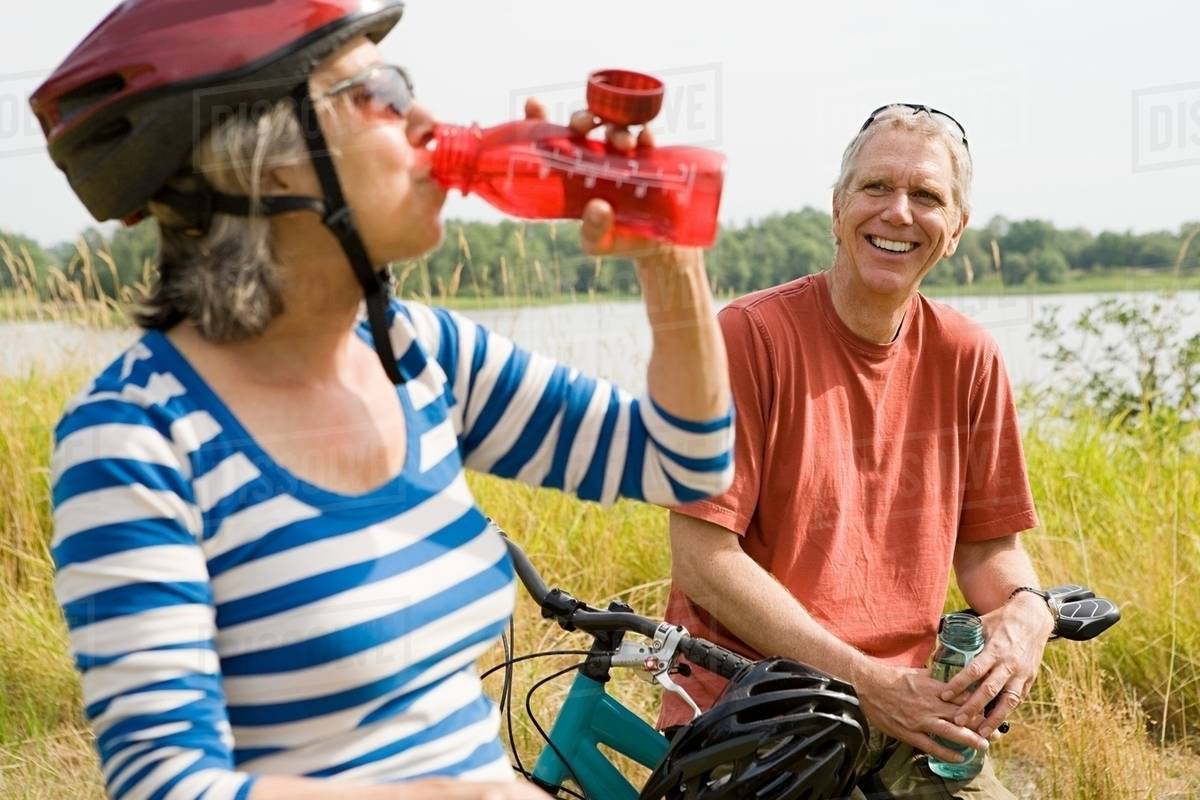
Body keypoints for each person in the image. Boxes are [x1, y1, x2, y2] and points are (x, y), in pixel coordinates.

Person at [35, 2, 733, 798]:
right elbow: (167, 786)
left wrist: (666, 251)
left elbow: (685, 461)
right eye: (383, 93)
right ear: (270, 160)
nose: (427, 120)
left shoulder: (418, 353)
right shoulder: (136, 436)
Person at [657, 105, 1055, 798]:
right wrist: (863, 681)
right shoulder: (750, 336)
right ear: (838, 208)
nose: (898, 213)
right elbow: (704, 557)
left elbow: (989, 551)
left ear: (955, 230)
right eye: (876, 188)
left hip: (914, 711)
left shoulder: (969, 357)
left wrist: (1028, 610)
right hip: (757, 706)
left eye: (927, 196)